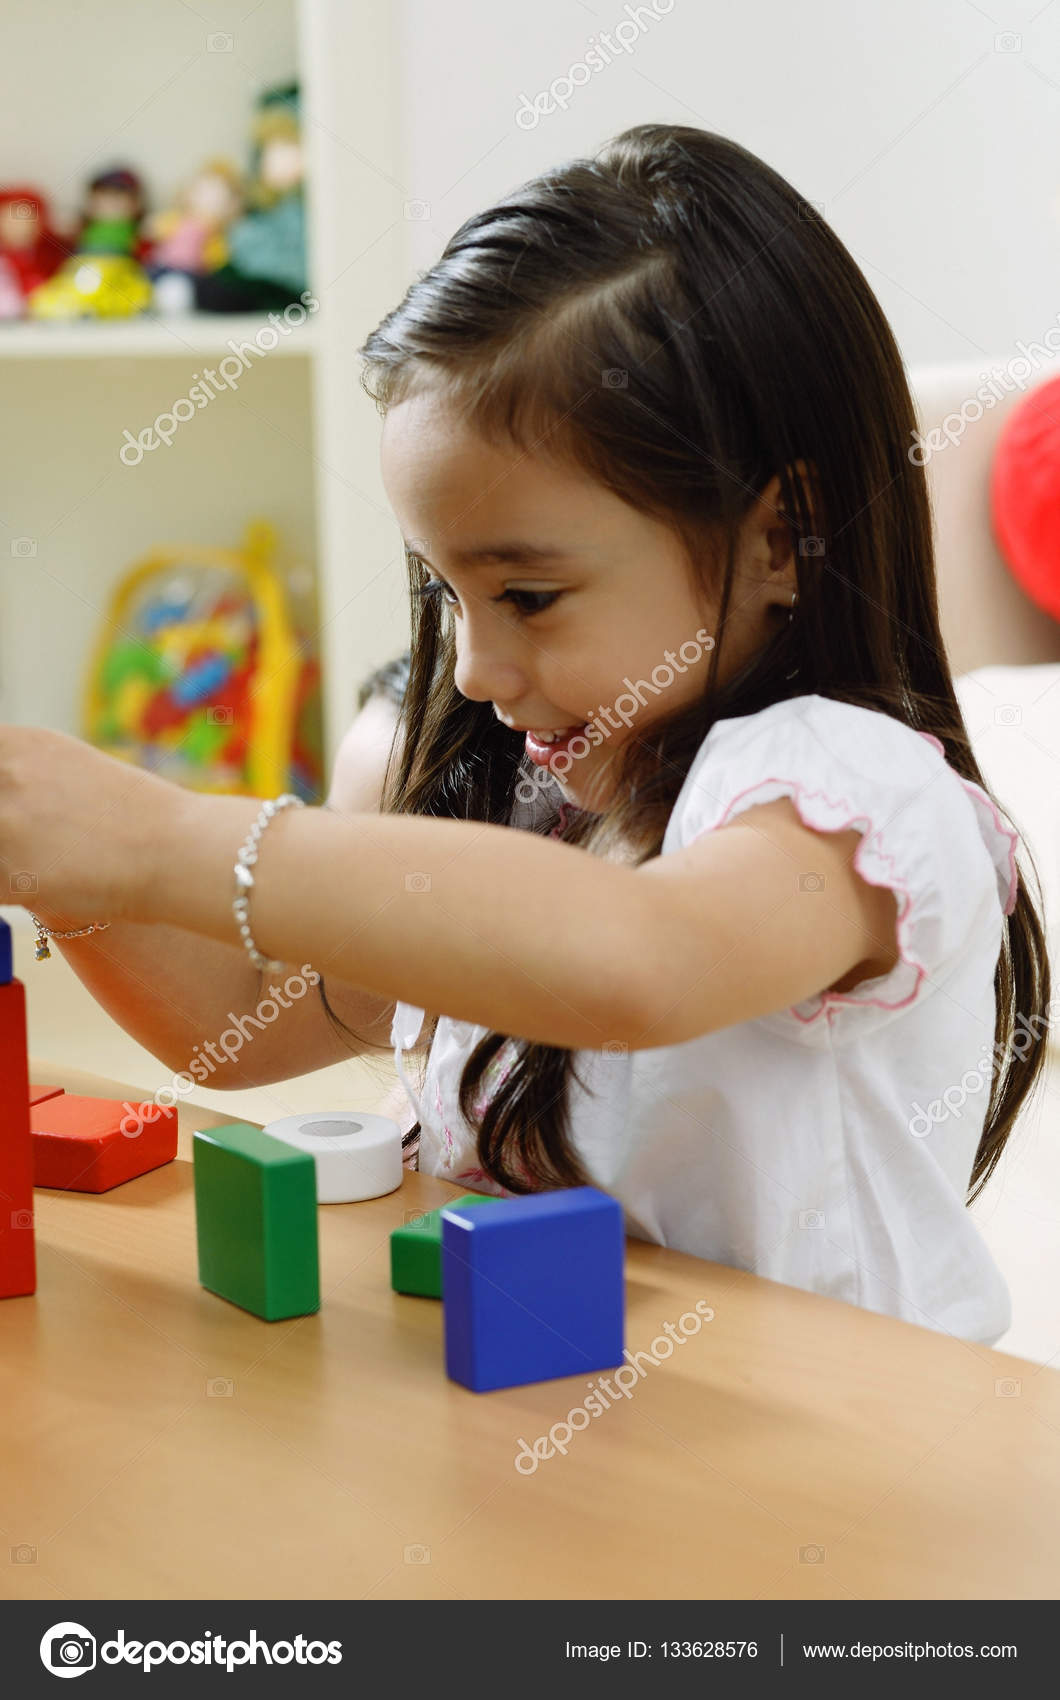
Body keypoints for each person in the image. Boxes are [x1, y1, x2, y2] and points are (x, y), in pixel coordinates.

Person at [4, 124, 1050, 1346]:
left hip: (843, 1485)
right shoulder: (537, 804)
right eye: (447, 590)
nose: (475, 667)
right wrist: (57, 853)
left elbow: (641, 959)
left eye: (529, 596)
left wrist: (167, 836)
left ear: (778, 538)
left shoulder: (840, 792)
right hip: (573, 1452)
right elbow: (236, 1017)